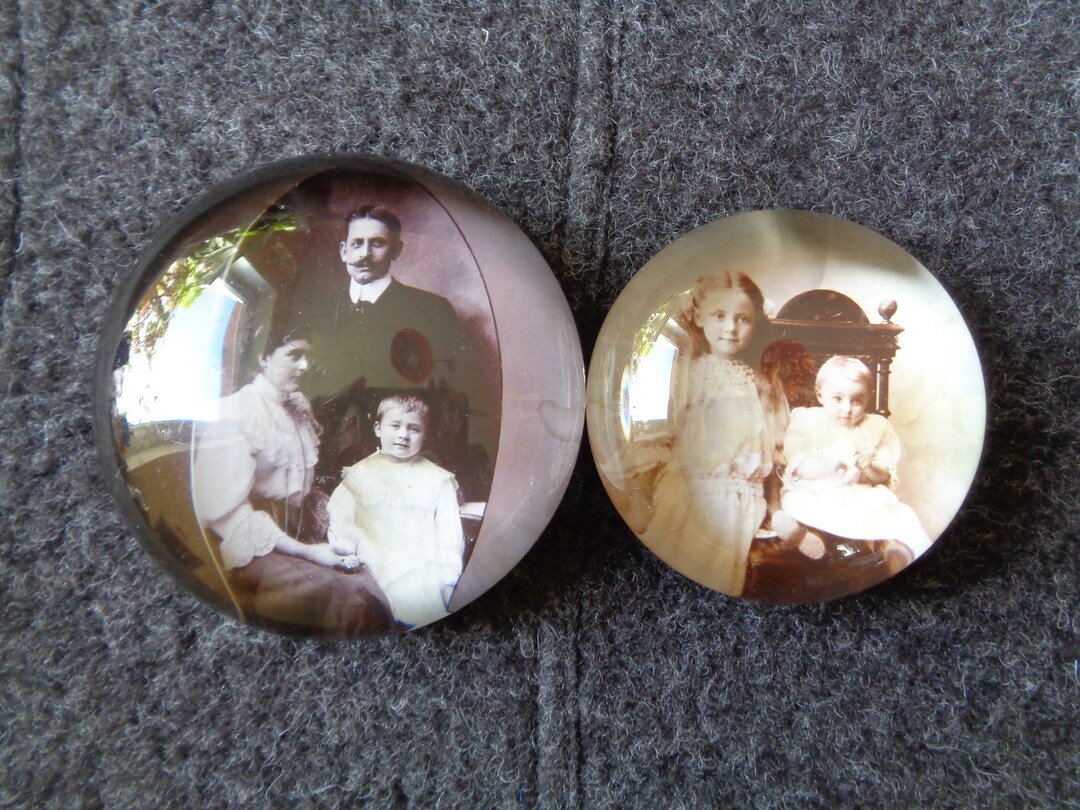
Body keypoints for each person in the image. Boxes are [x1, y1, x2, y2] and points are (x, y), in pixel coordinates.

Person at [191, 322, 395, 637]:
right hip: (255, 544)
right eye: (294, 355)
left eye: (308, 357)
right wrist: (308, 551)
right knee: (346, 599)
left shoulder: (296, 407)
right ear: (264, 358)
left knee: (370, 572)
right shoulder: (237, 412)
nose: (304, 366)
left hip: (299, 530)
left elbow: (301, 487)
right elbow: (226, 516)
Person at [638, 271, 787, 596]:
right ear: (699, 317)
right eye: (720, 315)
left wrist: (776, 511)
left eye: (743, 319)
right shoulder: (686, 375)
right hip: (688, 495)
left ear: (754, 324)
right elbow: (660, 441)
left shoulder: (761, 384)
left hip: (743, 501)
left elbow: (774, 454)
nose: (730, 327)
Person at [327, 393, 466, 628]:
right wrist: (347, 551)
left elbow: (450, 533)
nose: (403, 435)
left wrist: (448, 579)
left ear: (425, 435)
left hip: (421, 567)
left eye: (414, 429)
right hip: (370, 564)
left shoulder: (438, 479)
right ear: (378, 428)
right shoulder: (360, 473)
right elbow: (339, 518)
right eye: (395, 426)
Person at [772, 356, 932, 558]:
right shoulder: (807, 421)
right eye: (837, 399)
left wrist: (869, 468)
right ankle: (812, 538)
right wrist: (829, 465)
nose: (847, 409)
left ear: (868, 398)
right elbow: (798, 467)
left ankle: (888, 547)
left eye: (857, 400)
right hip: (814, 491)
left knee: (890, 511)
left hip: (857, 493)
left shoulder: (875, 426)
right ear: (820, 395)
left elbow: (883, 475)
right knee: (800, 505)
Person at [303, 206, 464, 401]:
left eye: (377, 243)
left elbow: (446, 389)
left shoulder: (433, 309)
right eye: (357, 244)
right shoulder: (319, 309)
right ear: (343, 251)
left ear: (396, 250)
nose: (365, 254)